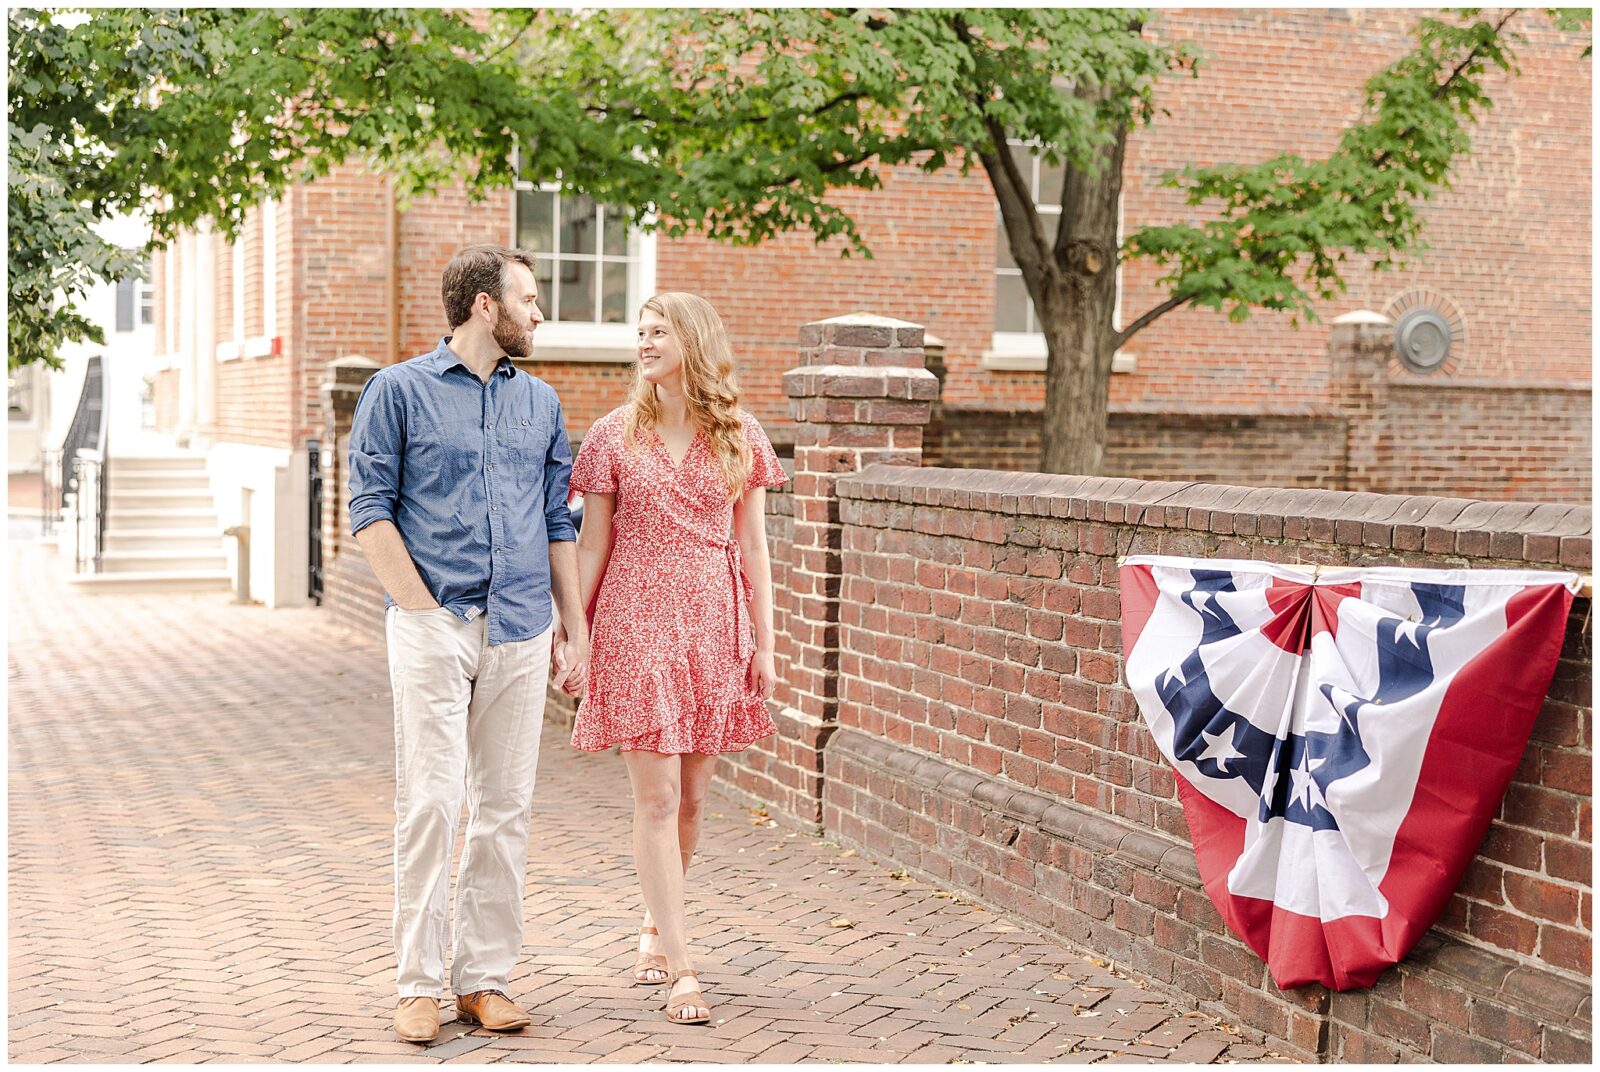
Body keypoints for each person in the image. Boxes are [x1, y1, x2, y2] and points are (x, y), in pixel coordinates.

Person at [347, 244, 588, 1044]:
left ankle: (483, 979)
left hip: (521, 625)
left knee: (504, 808)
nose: (539, 313)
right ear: (486, 305)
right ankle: (417, 984)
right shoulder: (397, 391)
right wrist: (420, 611)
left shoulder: (541, 403)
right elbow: (369, 508)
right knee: (431, 801)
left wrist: (574, 630)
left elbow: (556, 521)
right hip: (434, 624)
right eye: (529, 299)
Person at [561, 292, 786, 1025]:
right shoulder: (612, 435)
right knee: (655, 800)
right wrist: (575, 632)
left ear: (693, 339)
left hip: (714, 627)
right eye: (641, 332)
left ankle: (657, 925)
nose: (645, 343)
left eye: (659, 332)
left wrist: (765, 643)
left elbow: (753, 548)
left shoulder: (740, 435)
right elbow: (593, 542)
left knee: (691, 802)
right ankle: (684, 968)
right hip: (635, 624)